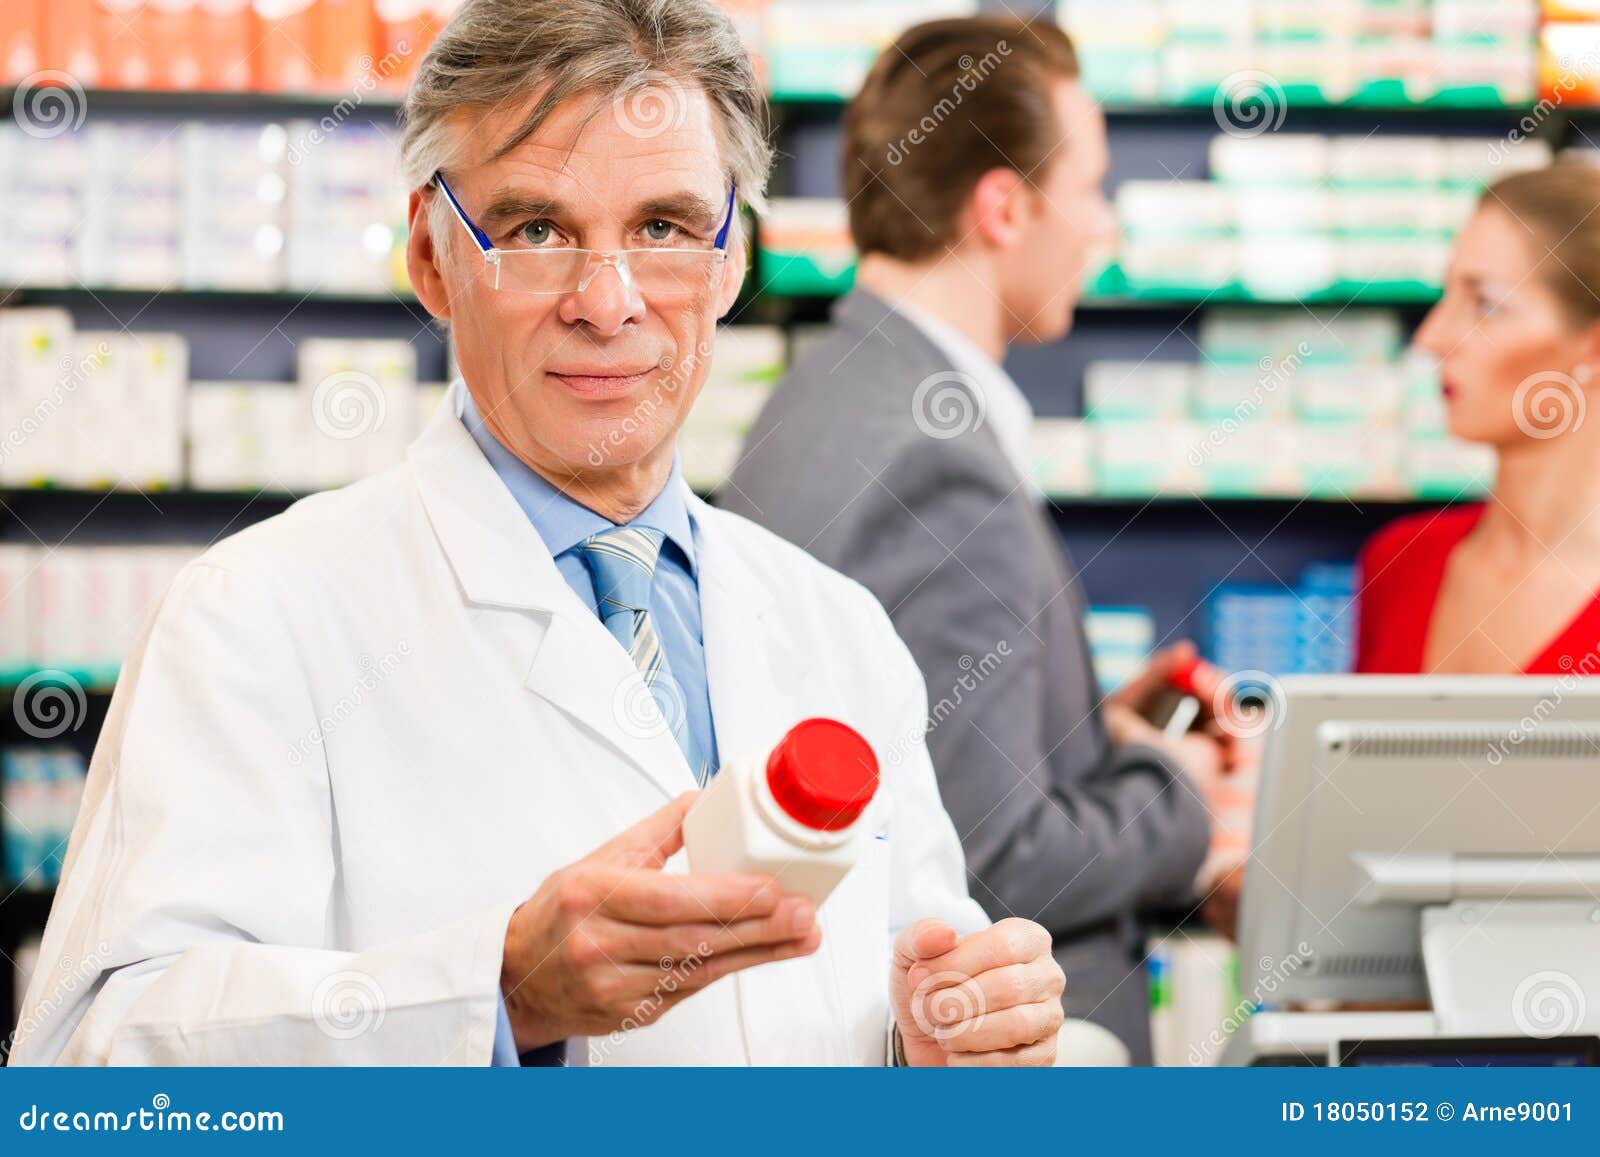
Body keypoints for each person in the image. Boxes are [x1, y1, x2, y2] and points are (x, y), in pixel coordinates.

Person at [11, 0, 1066, 1067]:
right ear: (432, 258)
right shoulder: (255, 616)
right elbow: (100, 1060)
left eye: (661, 227)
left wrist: (936, 1039)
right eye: (535, 230)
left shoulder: (836, 628)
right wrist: (497, 993)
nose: (606, 304)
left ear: (729, 259)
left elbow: (881, 990)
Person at [719, 17, 1227, 1065]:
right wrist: (1179, 788)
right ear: (1004, 208)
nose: (1100, 228)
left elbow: (914, 748)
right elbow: (994, 862)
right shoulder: (933, 455)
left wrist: (1085, 734)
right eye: (1087, 189)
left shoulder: (830, 387)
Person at [1357, 163, 1600, 676]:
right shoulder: (1400, 562)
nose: (1431, 338)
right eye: (1446, 297)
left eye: (1485, 305)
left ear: (1593, 346)